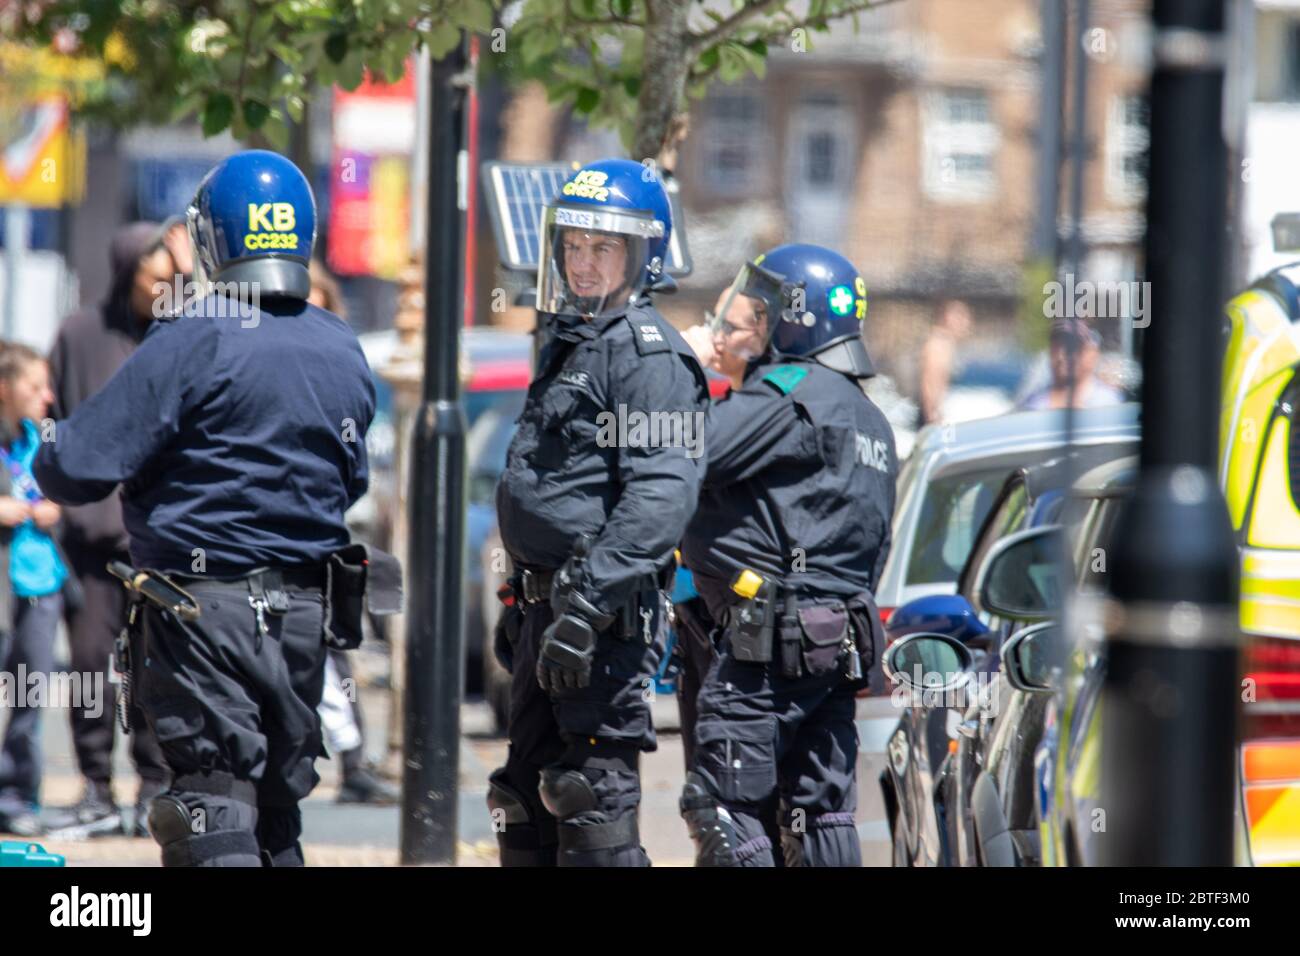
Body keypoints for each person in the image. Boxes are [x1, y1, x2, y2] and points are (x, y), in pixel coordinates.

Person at [33, 149, 383, 867]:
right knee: (275, 812)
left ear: (214, 239)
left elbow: (75, 466)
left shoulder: (191, 336)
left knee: (212, 808)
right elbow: (349, 481)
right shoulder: (340, 343)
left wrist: (50, 440)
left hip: (201, 616)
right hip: (304, 615)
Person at [488, 158, 710, 867]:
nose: (583, 264)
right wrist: (518, 596)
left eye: (602, 248)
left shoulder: (650, 358)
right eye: (574, 246)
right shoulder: (575, 340)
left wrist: (582, 610)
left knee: (589, 803)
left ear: (639, 255)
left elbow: (658, 500)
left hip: (600, 623)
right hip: (543, 613)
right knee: (524, 804)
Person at [677, 244, 897, 867]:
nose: (752, 328)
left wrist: (685, 371)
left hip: (766, 647)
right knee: (821, 812)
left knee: (722, 805)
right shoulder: (869, 417)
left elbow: (693, 450)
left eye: (765, 314)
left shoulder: (792, 389)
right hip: (832, 643)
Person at [42, 222, 176, 839]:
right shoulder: (78, 335)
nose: (166, 286)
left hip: (156, 540)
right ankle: (95, 783)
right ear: (128, 273)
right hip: (90, 538)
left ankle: (153, 784)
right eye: (155, 275)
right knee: (92, 663)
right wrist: (57, 501)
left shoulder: (181, 337)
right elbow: (53, 422)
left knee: (154, 667)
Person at [0, 344, 67, 837]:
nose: (46, 396)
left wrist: (56, 507)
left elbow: (68, 491)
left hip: (41, 584)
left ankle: (20, 793)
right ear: (5, 389)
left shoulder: (40, 440)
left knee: (28, 695)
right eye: (34, 386)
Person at [1017, 318, 1125, 410]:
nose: (1061, 354)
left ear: (1092, 353)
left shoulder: (1106, 404)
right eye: (1057, 345)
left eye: (1072, 347)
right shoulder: (1034, 403)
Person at [916, 298, 973, 427]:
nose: (966, 323)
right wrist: (932, 416)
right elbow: (929, 381)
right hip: (932, 416)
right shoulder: (938, 344)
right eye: (960, 317)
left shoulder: (947, 344)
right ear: (947, 318)